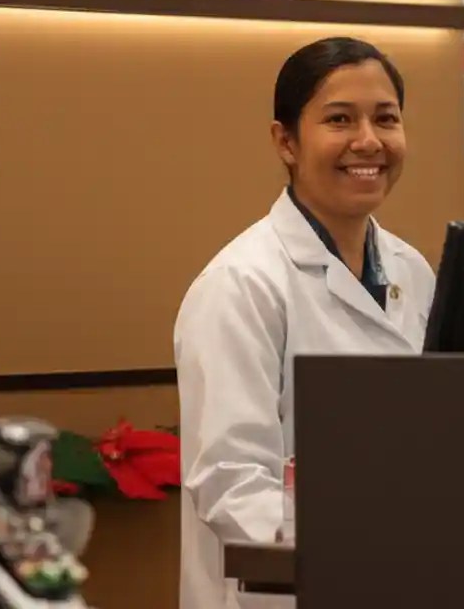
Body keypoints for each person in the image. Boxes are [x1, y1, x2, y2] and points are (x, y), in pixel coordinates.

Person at [174, 37, 436, 608]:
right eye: (340, 119)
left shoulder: (412, 271)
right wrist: (368, 546)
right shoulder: (240, 285)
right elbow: (232, 484)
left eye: (386, 118)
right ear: (285, 141)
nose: (369, 141)